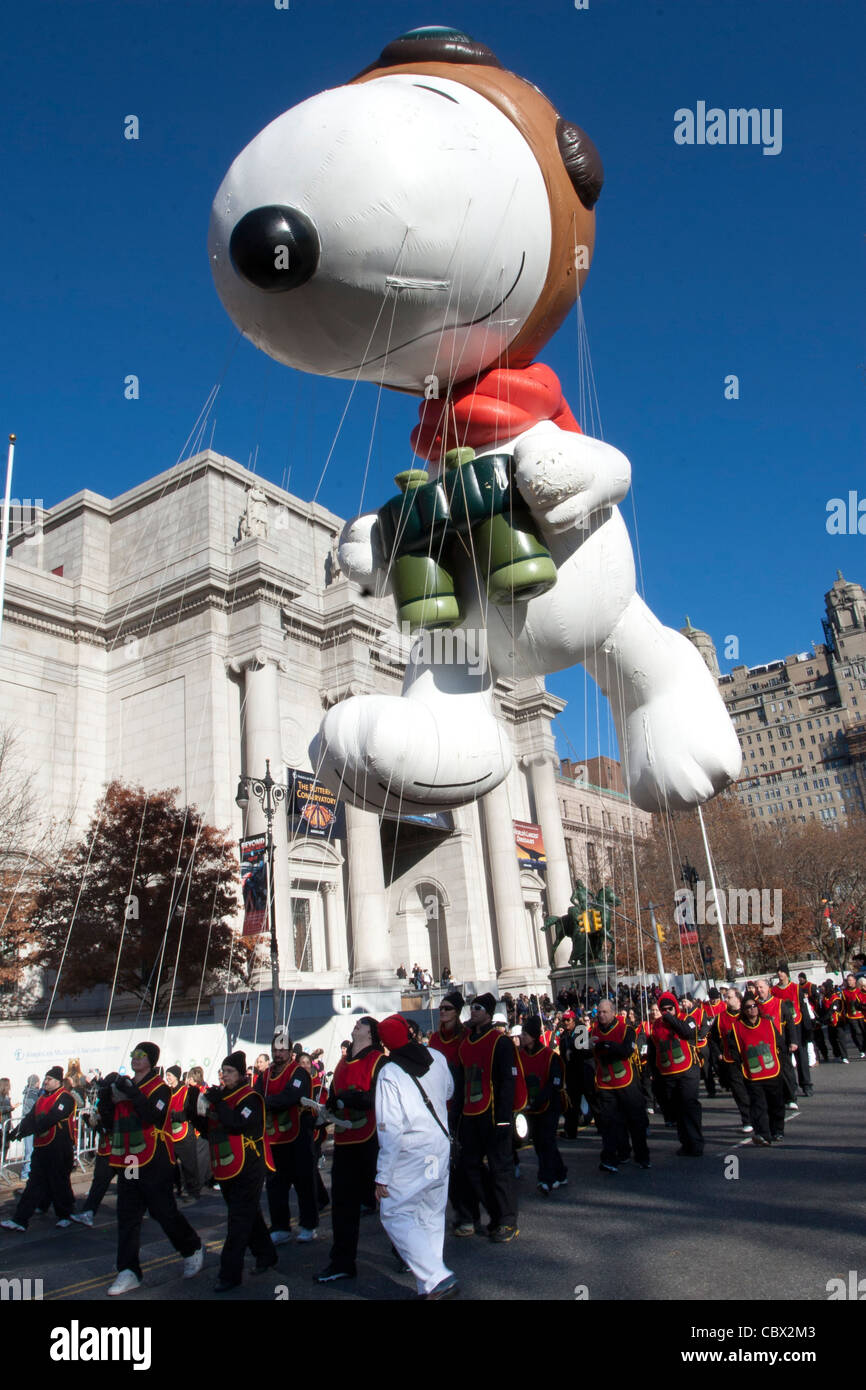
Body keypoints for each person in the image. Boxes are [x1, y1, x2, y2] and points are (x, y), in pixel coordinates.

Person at [96, 1041, 203, 1296]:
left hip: (154, 1158)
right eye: (134, 1054)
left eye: (141, 1056)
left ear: (151, 1061)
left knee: (162, 1211)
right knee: (128, 1213)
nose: (136, 1059)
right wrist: (106, 1099)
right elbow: (110, 1122)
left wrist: (131, 1092)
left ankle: (191, 1247)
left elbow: (151, 1116)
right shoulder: (123, 1086)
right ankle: (128, 1270)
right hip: (129, 1158)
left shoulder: (161, 1089)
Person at [374, 1013, 457, 1301]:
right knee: (431, 1214)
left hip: (412, 1151)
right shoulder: (435, 1055)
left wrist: (382, 1174)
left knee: (394, 1212)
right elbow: (449, 1090)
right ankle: (430, 1284)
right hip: (439, 1143)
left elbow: (390, 1129)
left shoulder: (389, 1073)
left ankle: (436, 1277)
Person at [192, 1050, 277, 1292]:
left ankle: (229, 1273)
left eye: (230, 1072)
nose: (225, 1076)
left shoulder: (250, 1097)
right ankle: (266, 1254)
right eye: (223, 1071)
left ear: (241, 1075)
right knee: (248, 1214)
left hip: (249, 1165)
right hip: (226, 1164)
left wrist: (218, 1102)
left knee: (238, 1219)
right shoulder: (222, 1097)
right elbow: (209, 1130)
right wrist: (197, 1110)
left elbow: (237, 1123)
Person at [315, 1015, 386, 1283]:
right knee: (343, 1207)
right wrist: (326, 1109)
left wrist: (347, 1098)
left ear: (371, 1034)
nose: (355, 1027)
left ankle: (408, 1253)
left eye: (361, 1025)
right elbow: (334, 1096)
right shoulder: (342, 1063)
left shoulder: (379, 1060)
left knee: (387, 1204)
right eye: (355, 1025)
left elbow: (377, 1098)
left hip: (372, 1142)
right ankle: (342, 1262)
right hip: (345, 1142)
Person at [453, 993, 518, 1243]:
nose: (474, 1011)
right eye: (472, 1007)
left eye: (478, 1008)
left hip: (493, 1115)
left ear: (489, 1013)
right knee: (470, 1165)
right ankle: (495, 1211)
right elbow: (461, 1084)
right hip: (470, 1115)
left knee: (500, 1168)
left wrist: (504, 1118)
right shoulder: (465, 1043)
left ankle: (507, 1220)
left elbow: (507, 1082)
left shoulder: (500, 1042)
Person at [254, 1028, 318, 1244]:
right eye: (275, 1050)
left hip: (297, 1136)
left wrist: (265, 1103)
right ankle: (281, 1226)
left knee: (304, 1182)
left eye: (282, 1050)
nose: (278, 1054)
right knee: (275, 1185)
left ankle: (309, 1225)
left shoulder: (298, 1073)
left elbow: (292, 1096)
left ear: (290, 1052)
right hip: (273, 1139)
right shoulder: (263, 1077)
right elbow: (254, 1098)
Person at [1, 1067, 76, 1231]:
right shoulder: (42, 1097)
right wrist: (17, 1132)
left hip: (59, 1147)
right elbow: (30, 1117)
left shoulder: (65, 1098)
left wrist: (33, 1128)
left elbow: (53, 1117)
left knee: (58, 1181)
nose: (45, 1082)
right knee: (35, 1181)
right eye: (45, 1079)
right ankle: (20, 1220)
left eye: (49, 1079)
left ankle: (65, 1214)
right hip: (42, 1145)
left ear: (58, 1081)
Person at [591, 999, 650, 1173]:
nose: (601, 1015)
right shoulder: (593, 1031)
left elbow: (627, 1050)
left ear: (613, 1012)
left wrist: (607, 1045)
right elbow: (582, 1049)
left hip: (626, 1081)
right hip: (605, 1083)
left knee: (635, 1119)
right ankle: (613, 1156)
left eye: (605, 1012)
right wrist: (588, 1045)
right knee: (609, 1122)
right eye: (599, 1012)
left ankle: (642, 1155)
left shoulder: (626, 1030)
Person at [648, 992, 703, 1157]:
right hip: (667, 1072)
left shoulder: (687, 1019)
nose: (666, 1012)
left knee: (689, 1105)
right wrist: (653, 1071)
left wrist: (671, 1019)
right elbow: (653, 1049)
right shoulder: (656, 1025)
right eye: (663, 1009)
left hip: (688, 1070)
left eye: (669, 1008)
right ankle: (685, 1142)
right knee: (676, 1108)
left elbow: (687, 1033)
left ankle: (696, 1143)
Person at [520, 1015, 568, 1193]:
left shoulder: (549, 1056)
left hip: (549, 1105)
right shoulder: (521, 1055)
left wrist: (539, 1099)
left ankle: (546, 1178)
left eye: (524, 1034)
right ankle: (561, 1172)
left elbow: (555, 1083)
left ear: (533, 1036)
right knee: (541, 1142)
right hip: (530, 1107)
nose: (521, 1037)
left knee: (546, 1140)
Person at [729, 995, 786, 1145]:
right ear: (744, 1010)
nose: (752, 1009)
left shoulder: (768, 1023)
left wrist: (781, 1059)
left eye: (754, 1006)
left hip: (772, 1071)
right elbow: (734, 1052)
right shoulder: (737, 1028)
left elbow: (779, 1043)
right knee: (758, 1106)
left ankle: (777, 1130)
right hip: (752, 1074)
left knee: (776, 1103)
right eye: (748, 1007)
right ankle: (763, 1134)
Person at [713, 988, 753, 1133]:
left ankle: (759, 1115)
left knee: (754, 1090)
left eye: (729, 997)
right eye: (725, 997)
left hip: (750, 1059)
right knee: (739, 1091)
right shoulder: (720, 1018)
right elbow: (713, 1038)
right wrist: (718, 1053)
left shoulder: (748, 1013)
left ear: (738, 998)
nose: (726, 1000)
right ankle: (747, 1120)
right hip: (731, 1061)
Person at [755, 979, 798, 1108]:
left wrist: (793, 1041)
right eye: (757, 988)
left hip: (780, 1043)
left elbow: (790, 1023)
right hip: (763, 1046)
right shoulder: (754, 1006)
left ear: (768, 988)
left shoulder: (779, 1003)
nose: (759, 990)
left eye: (761, 987)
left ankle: (791, 1098)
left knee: (786, 1071)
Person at [71, 1100, 115, 1226]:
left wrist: (98, 1125)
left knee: (132, 1183)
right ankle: (88, 1212)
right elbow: (103, 1128)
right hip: (105, 1152)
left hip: (127, 1155)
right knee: (99, 1183)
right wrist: (92, 1122)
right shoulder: (102, 1104)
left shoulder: (122, 1105)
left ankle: (138, 1211)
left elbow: (111, 1127)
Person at [773, 965, 812, 1096]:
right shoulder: (774, 991)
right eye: (778, 972)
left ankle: (806, 1084)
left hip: (797, 1024)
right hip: (782, 1028)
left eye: (782, 972)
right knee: (786, 1060)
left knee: (801, 1056)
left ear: (787, 974)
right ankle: (791, 1086)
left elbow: (803, 1007)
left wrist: (808, 1027)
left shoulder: (796, 988)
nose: (780, 974)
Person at [165, 1065, 201, 1200]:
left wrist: (175, 1115)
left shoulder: (186, 1091)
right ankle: (176, 1187)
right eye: (167, 1075)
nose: (168, 1077)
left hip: (185, 1133)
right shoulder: (167, 1091)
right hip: (171, 1134)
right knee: (171, 1164)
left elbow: (188, 1112)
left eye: (170, 1075)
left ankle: (192, 1190)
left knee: (189, 1164)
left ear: (176, 1077)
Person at [559, 1010, 594, 1137]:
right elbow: (564, 1055)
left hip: (584, 1071)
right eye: (564, 1020)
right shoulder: (565, 1036)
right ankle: (571, 1131)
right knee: (572, 1104)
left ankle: (604, 1126)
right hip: (572, 1074)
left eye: (568, 1020)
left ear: (574, 1020)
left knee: (593, 1100)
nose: (566, 1022)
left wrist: (571, 1050)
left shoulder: (581, 1029)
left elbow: (581, 1049)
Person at [823, 980, 850, 1062]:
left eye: (824, 988)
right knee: (832, 1039)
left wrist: (823, 1019)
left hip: (838, 1021)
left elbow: (832, 1010)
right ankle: (837, 1054)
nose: (823, 989)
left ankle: (844, 1056)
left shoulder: (836, 998)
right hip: (830, 1023)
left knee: (841, 1040)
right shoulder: (825, 998)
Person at [841, 973, 866, 1056]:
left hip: (862, 1015)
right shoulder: (844, 992)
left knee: (863, 1032)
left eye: (851, 980)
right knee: (857, 1032)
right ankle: (861, 1049)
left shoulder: (859, 991)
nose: (849, 982)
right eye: (848, 981)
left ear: (855, 981)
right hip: (851, 1016)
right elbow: (843, 1005)